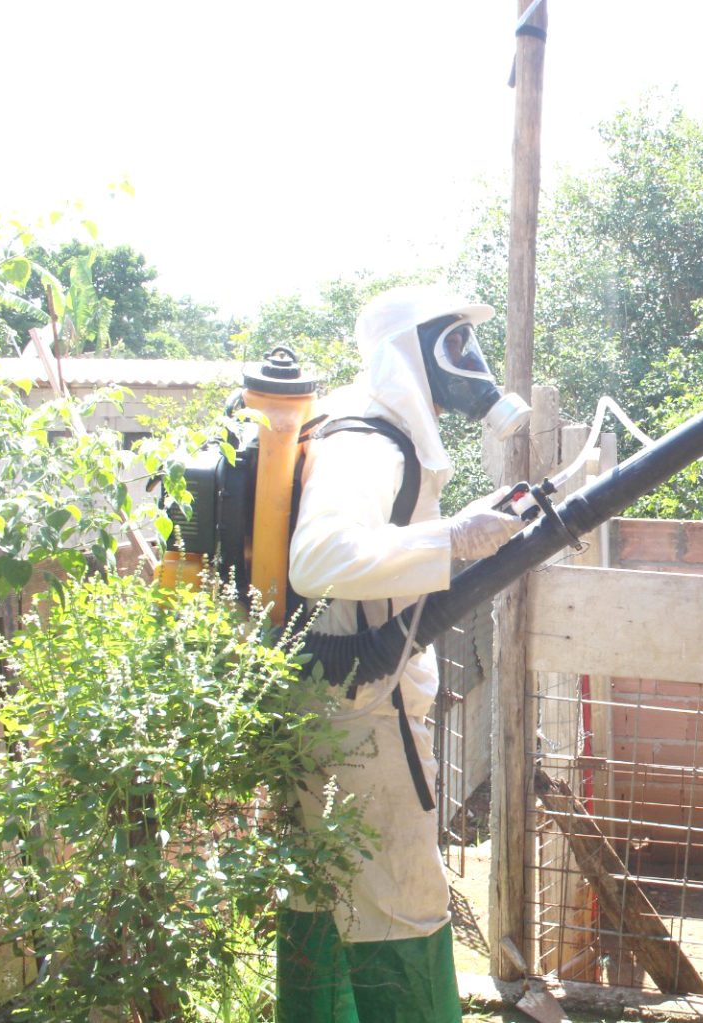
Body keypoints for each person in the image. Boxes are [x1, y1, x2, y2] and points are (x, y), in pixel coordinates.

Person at [277, 286, 528, 1022]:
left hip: (322, 700)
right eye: (453, 342)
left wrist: (458, 533)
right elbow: (319, 559)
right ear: (407, 353)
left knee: (318, 895)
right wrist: (452, 538)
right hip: (363, 715)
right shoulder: (371, 441)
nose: (469, 361)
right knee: (402, 905)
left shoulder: (353, 424)